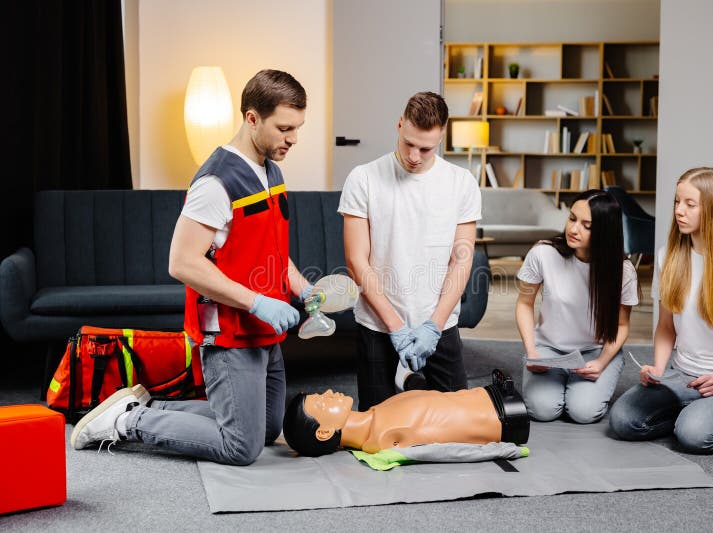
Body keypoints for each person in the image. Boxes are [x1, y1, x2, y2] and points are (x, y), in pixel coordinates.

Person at [70, 69, 315, 465]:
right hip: (230, 332)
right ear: (252, 118)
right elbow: (182, 263)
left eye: (298, 128)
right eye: (285, 128)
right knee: (242, 447)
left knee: (269, 429)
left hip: (265, 329)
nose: (293, 139)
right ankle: (126, 421)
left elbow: (269, 249)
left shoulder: (271, 170)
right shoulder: (216, 183)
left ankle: (150, 407)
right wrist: (258, 303)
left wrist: (303, 289)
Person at [609, 167, 713, 453]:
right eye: (677, 202)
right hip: (684, 375)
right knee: (623, 421)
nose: (679, 211)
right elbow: (665, 326)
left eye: (690, 204)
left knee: (694, 436)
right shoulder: (668, 256)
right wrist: (659, 369)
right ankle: (697, 413)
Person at [338, 92, 481, 410]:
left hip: (438, 324)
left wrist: (434, 325)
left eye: (426, 148)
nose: (414, 156)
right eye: (408, 144)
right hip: (379, 324)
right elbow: (356, 261)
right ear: (400, 124)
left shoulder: (462, 183)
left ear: (441, 136)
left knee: (459, 422)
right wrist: (397, 327)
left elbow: (461, 261)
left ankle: (417, 376)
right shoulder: (363, 179)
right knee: (378, 431)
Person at [516, 189, 638, 424]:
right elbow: (524, 304)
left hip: (595, 351)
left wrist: (602, 362)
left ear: (604, 230)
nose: (573, 229)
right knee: (542, 411)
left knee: (583, 413)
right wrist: (532, 352)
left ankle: (591, 378)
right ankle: (558, 381)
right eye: (572, 218)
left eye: (587, 226)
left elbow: (622, 324)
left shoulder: (623, 271)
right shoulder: (543, 253)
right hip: (548, 350)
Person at [282, 370, 529, 457]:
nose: (328, 392)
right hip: (502, 416)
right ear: (325, 432)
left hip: (491, 397)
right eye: (322, 403)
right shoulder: (384, 437)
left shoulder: (377, 414)